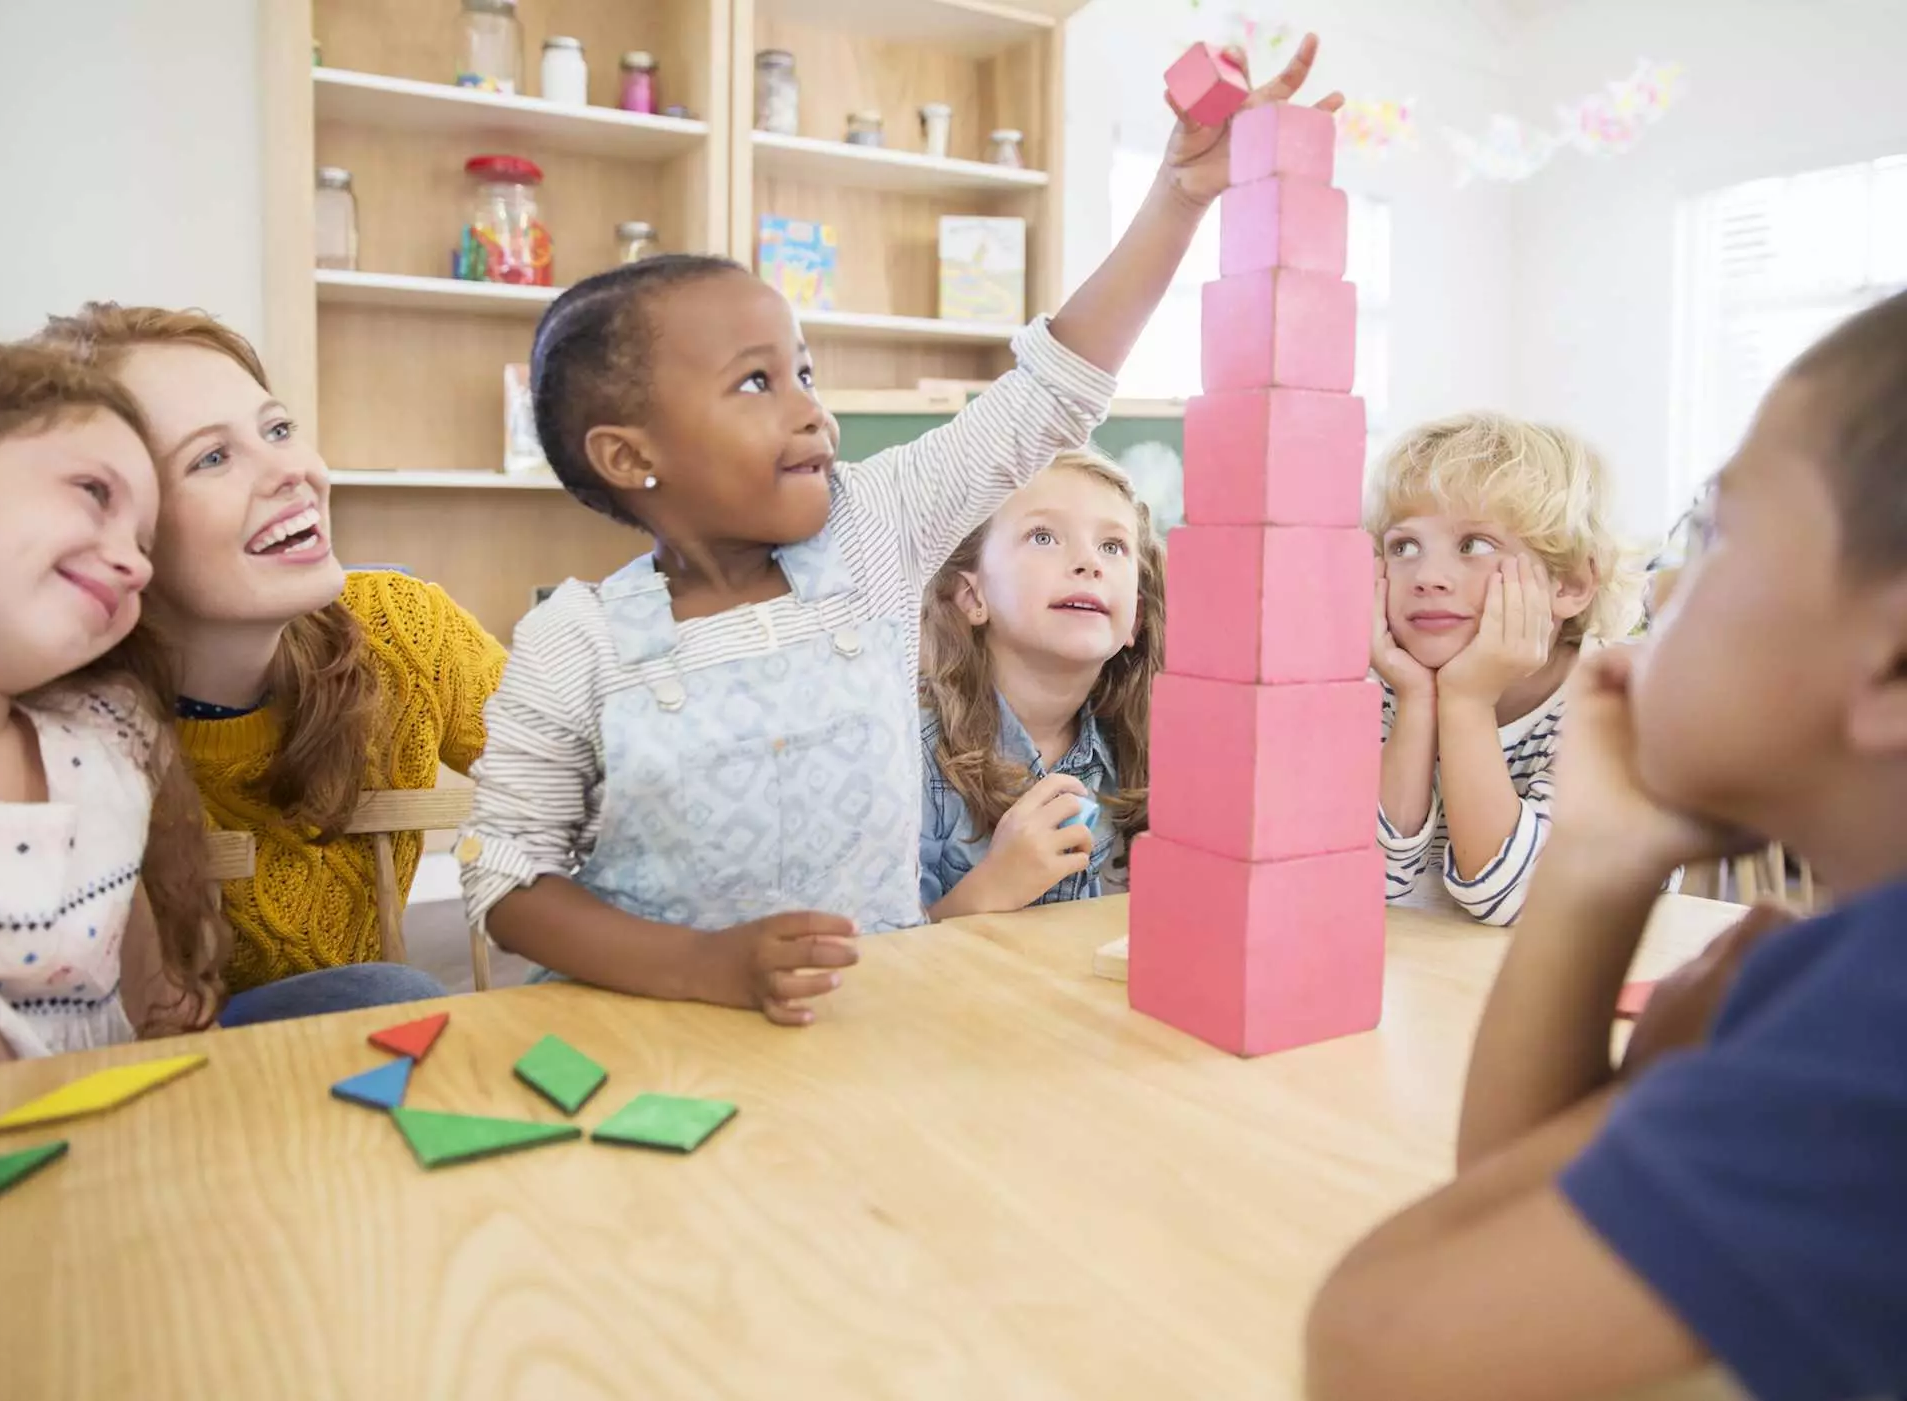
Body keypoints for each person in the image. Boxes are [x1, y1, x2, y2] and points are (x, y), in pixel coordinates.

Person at [460, 41, 1343, 1026]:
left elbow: (1048, 394)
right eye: (756, 383)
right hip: (646, 1029)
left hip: (871, 1018)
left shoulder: (872, 530)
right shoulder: (572, 642)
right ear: (629, 457)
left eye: (804, 373)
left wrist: (1176, 199)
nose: (808, 411)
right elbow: (507, 882)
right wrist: (703, 966)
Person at [1307, 291, 1907, 1401]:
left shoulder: (1869, 1032)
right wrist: (1599, 859)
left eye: (1715, 538)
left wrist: (1640, 1096)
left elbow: (1378, 1345)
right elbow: (1514, 1214)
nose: (1667, 586)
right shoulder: (1835, 974)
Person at [39, 306, 506, 1024]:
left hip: (344, 1059)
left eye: (278, 429)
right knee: (389, 995)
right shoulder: (63, 726)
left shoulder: (404, 630)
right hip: (169, 1063)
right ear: (111, 539)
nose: (293, 471)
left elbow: (605, 785)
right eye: (213, 458)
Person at [0, 340, 225, 1070]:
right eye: (93, 492)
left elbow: (160, 1004)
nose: (137, 562)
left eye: (145, 543)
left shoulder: (105, 748)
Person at [1366, 413, 1641, 925]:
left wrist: (1467, 702)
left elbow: (1522, 900)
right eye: (1403, 546)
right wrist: (1417, 702)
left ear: (1570, 584)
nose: (1427, 577)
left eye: (1473, 545)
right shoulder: (1384, 687)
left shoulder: (1614, 702)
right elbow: (1363, 880)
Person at [918, 447, 1164, 917]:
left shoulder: (1148, 756)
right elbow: (878, 959)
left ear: (1134, 617)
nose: (1089, 563)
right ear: (972, 595)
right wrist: (990, 890)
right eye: (1044, 536)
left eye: (1112, 546)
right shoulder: (908, 754)